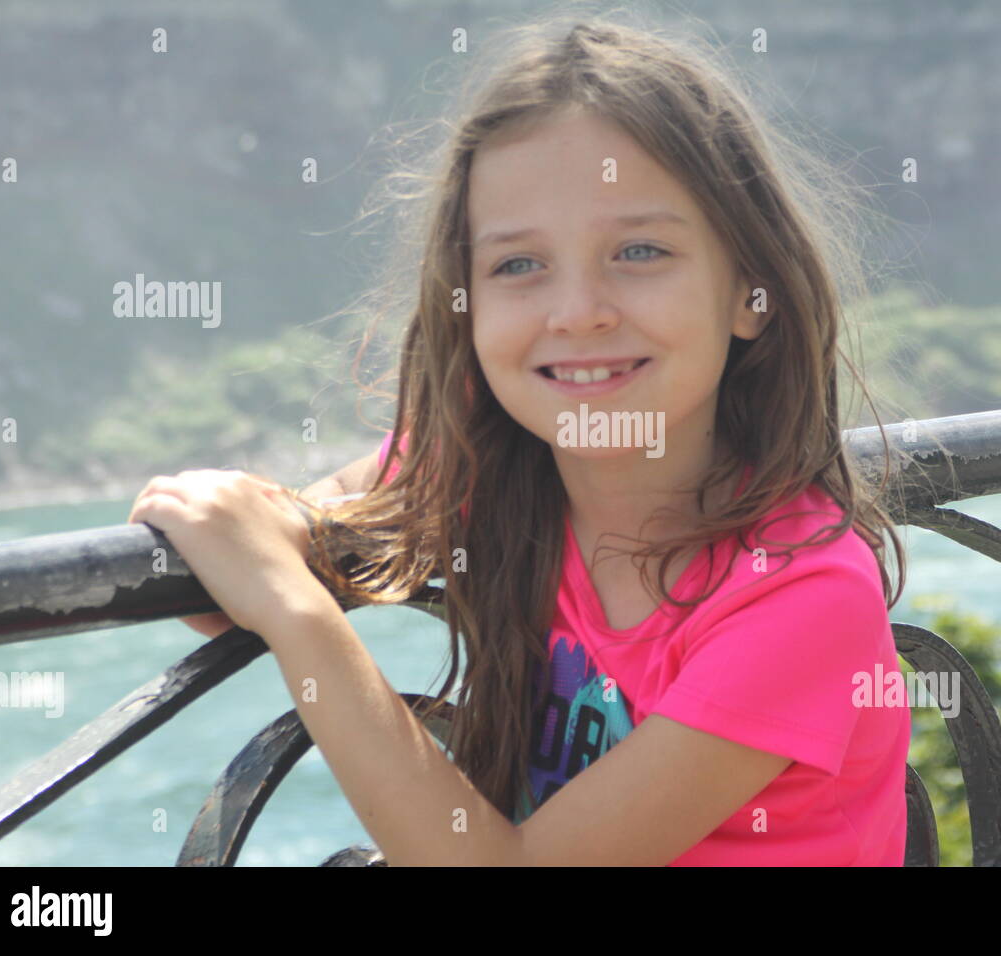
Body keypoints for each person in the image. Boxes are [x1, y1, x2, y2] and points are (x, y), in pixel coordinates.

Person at [128, 13, 912, 866]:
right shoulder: (476, 468)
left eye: (640, 250)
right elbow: (231, 584)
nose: (578, 312)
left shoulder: (800, 596)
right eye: (518, 266)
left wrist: (297, 612)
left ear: (749, 292)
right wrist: (234, 534)